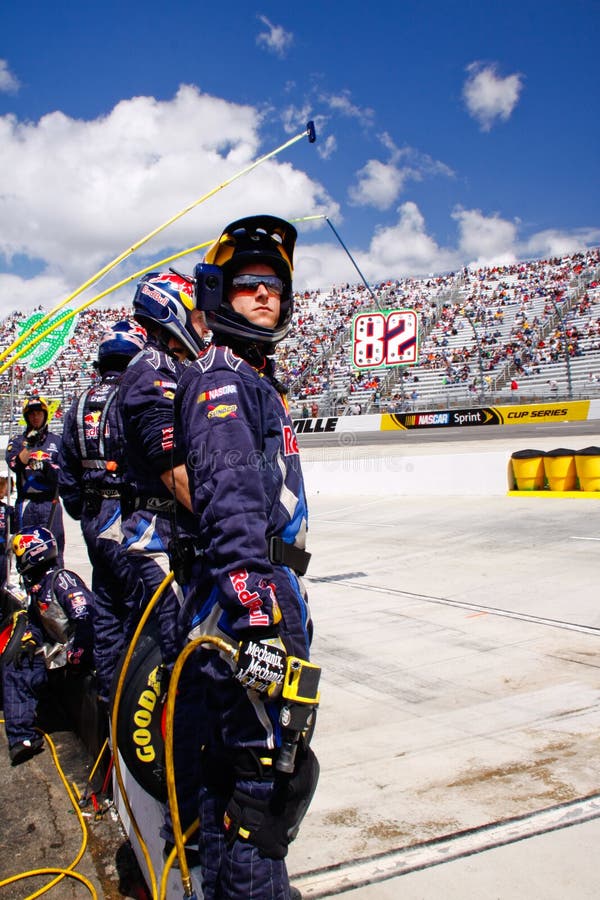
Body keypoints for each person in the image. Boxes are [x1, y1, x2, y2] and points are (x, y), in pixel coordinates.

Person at [175, 215, 318, 900]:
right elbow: (231, 506)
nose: (265, 294)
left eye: (274, 285)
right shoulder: (225, 380)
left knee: (229, 773)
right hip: (249, 596)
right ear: (218, 292)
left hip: (241, 590)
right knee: (270, 785)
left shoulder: (249, 375)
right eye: (248, 283)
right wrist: (261, 618)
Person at [116, 272, 210, 857]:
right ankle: (186, 820)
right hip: (157, 540)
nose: (202, 322)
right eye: (194, 312)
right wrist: (230, 519)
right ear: (170, 310)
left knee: (190, 668)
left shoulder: (170, 365)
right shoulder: (152, 371)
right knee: (182, 674)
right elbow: (174, 471)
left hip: (171, 537)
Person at [58, 320, 147, 708]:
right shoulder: (132, 396)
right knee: (140, 608)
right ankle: (134, 699)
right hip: (125, 514)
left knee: (107, 605)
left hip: (93, 519)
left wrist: (82, 510)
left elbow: (66, 472)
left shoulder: (78, 404)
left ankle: (109, 696)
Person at [0, 527, 95, 765]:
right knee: (17, 665)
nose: (18, 563)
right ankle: (22, 739)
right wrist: (30, 640)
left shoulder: (61, 580)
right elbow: (35, 623)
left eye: (20, 556)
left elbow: (86, 617)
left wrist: (79, 652)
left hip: (83, 651)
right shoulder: (38, 586)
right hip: (60, 653)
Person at [5, 397, 65, 566]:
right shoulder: (17, 441)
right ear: (26, 417)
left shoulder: (56, 441)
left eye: (39, 413)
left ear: (45, 415)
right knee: (25, 551)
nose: (35, 417)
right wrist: (30, 445)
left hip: (50, 502)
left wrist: (46, 467)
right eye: (31, 414)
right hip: (26, 503)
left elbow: (64, 473)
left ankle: (54, 580)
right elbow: (15, 465)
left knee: (54, 550)